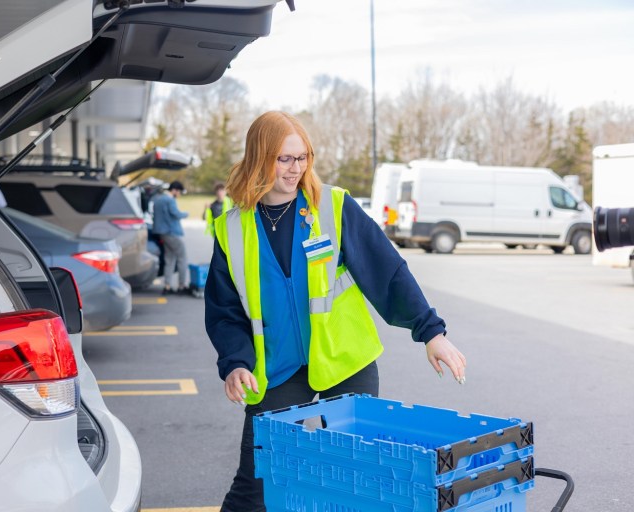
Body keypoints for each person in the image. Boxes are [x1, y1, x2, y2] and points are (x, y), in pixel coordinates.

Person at [204, 111, 467, 512]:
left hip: (347, 362)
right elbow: (225, 311)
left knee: (353, 480)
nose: (296, 169)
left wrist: (431, 332)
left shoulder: (333, 206)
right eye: (284, 159)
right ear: (260, 158)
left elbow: (387, 271)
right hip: (277, 369)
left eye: (303, 156)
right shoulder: (231, 228)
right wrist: (236, 362)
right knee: (255, 486)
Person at [151, 180, 190, 295]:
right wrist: (186, 213)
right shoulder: (169, 200)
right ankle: (182, 285)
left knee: (170, 259)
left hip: (162, 233)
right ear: (175, 190)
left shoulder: (158, 199)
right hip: (171, 232)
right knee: (182, 257)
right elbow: (176, 214)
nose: (179, 195)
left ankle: (167, 286)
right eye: (179, 193)